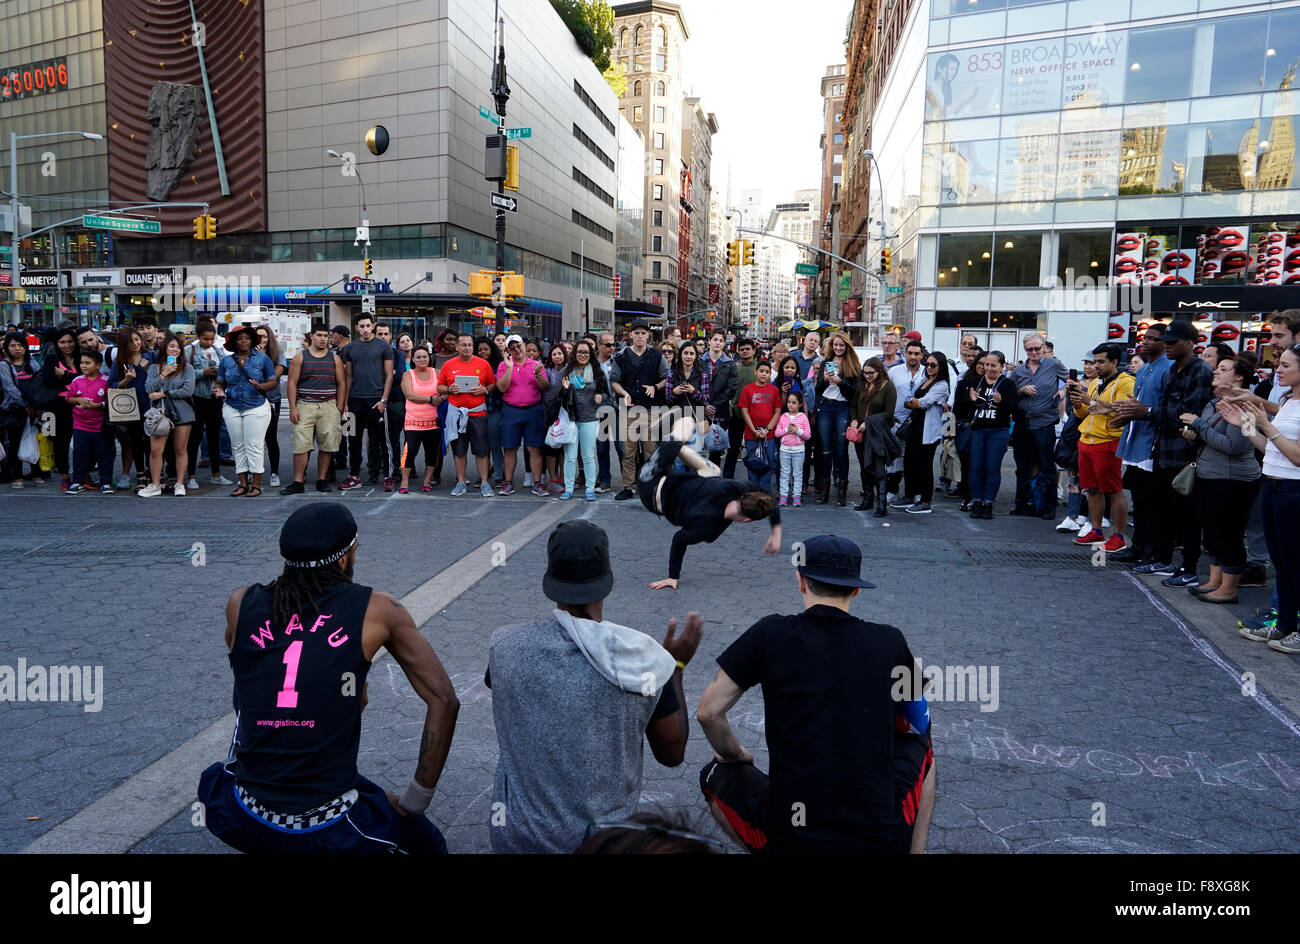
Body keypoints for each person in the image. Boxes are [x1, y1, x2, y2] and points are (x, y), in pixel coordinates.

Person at [198, 503, 459, 853]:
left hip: (240, 808)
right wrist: (416, 799)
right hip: (322, 823)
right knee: (428, 844)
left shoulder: (240, 602)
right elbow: (444, 699)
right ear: (342, 560)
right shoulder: (378, 611)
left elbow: (253, 684)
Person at [696, 534, 935, 854]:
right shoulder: (890, 641)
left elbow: (708, 712)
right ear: (856, 589)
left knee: (714, 773)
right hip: (879, 839)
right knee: (924, 746)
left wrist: (736, 755)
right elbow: (917, 719)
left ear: (801, 581)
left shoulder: (770, 633)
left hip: (790, 837)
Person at [486, 520, 701, 853]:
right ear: (609, 578)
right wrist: (676, 669)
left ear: (550, 579)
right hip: (602, 844)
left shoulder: (504, 647)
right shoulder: (643, 660)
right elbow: (672, 755)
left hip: (516, 836)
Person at [1219, 344, 1300, 653]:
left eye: (1287, 365)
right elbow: (1272, 450)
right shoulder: (1287, 400)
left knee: (1294, 564)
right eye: (1279, 363)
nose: (1278, 368)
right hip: (1275, 486)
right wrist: (1246, 425)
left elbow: (1297, 458)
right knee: (1281, 563)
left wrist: (1265, 424)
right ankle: (1284, 626)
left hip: (1294, 491)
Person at [640, 419, 782, 591]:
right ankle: (673, 443)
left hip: (657, 473)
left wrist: (776, 531)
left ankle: (674, 443)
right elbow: (678, 540)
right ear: (746, 520)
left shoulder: (735, 488)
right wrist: (672, 576)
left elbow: (767, 494)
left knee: (690, 427)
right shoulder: (709, 529)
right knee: (690, 429)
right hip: (648, 487)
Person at [1133, 320, 1214, 586]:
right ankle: (1162, 558)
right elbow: (1166, 413)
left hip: (1187, 454)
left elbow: (1188, 417)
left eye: (1172, 342)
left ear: (1190, 343)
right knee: (1161, 509)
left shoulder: (1201, 372)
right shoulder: (1171, 372)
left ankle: (1189, 568)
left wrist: (1147, 412)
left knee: (1187, 515)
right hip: (1163, 449)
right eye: (1165, 342)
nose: (1166, 346)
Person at [1179, 354, 1261, 604]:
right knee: (1213, 532)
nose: (1215, 372)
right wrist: (1195, 434)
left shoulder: (1243, 404)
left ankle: (1229, 587)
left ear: (1239, 377)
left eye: (1223, 369)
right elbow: (1211, 435)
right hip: (1209, 475)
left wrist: (1199, 427)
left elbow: (1235, 446)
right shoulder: (1213, 401)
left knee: (1229, 533)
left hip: (1232, 480)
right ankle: (1215, 580)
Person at [1068, 343, 1134, 552]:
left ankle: (1118, 535)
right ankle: (1095, 530)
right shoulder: (1096, 382)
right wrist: (1079, 403)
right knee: (1092, 489)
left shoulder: (1126, 383)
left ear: (1114, 362)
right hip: (1087, 440)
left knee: (1113, 490)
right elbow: (1084, 413)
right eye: (1094, 361)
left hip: (1107, 441)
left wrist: (1089, 400)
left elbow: (1121, 412)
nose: (1095, 366)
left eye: (1100, 362)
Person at [282, 323, 346, 495]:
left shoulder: (334, 358)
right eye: (319, 335)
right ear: (312, 336)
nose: (323, 339)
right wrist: (293, 408)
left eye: (326, 335)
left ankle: (321, 479)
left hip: (329, 406)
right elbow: (292, 383)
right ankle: (297, 481)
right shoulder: (300, 357)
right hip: (305, 405)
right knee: (301, 445)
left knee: (327, 445)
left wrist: (339, 407)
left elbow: (341, 383)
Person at [214, 324, 278, 497]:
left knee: (254, 446)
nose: (243, 341)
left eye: (247, 338)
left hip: (256, 405)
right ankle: (242, 483)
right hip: (232, 406)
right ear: (233, 341)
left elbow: (273, 381)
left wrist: (261, 385)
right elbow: (220, 381)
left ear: (252, 341)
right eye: (239, 338)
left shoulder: (262, 359)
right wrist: (218, 389)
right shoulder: (226, 361)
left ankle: (256, 485)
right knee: (238, 446)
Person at [1009, 334, 1068, 519]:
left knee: (1046, 464)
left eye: (1037, 349)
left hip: (1044, 422)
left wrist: (1062, 390)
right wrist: (1021, 390)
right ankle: (1022, 504)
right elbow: (1010, 396)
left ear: (1044, 347)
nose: (1034, 352)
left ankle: (1049, 506)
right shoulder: (1019, 371)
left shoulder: (1054, 364)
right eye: (1030, 349)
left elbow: (1072, 380)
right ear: (1025, 349)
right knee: (1022, 466)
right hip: (1022, 422)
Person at [610, 320, 668, 499]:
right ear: (631, 335)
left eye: (643, 333)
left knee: (650, 450)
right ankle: (629, 486)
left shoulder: (657, 356)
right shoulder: (620, 356)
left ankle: (650, 485)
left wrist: (656, 387)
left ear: (648, 335)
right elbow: (614, 381)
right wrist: (624, 393)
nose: (640, 336)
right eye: (637, 333)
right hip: (628, 409)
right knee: (628, 451)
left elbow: (666, 377)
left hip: (651, 409)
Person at [338, 316, 394, 490]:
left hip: (375, 402)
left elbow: (389, 375)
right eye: (362, 326)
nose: (365, 329)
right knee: (352, 440)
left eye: (368, 326)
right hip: (354, 402)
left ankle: (388, 476)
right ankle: (354, 476)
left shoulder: (383, 346)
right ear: (356, 327)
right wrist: (345, 404)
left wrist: (383, 400)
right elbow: (347, 377)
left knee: (382, 441)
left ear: (373, 326)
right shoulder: (349, 348)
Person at [437, 333, 495, 497]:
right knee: (459, 450)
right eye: (463, 345)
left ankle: (484, 482)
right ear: (457, 347)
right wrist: (449, 389)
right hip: (456, 413)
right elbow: (439, 387)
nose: (467, 348)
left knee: (482, 450)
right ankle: (461, 481)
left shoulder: (483, 364)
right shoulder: (449, 365)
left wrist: (484, 389)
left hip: (478, 412)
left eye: (470, 345)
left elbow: (492, 384)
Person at [893, 350, 951, 515]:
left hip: (928, 431)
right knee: (909, 463)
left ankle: (925, 500)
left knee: (924, 466)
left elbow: (922, 403)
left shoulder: (941, 385)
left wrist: (913, 402)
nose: (930, 367)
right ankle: (910, 496)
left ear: (941, 367)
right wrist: (912, 402)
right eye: (928, 364)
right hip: (914, 428)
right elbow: (908, 399)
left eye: (934, 365)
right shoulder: (925, 381)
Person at [139, 333, 195, 496]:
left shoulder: (187, 369)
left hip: (182, 412)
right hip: (159, 413)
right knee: (156, 450)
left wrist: (165, 394)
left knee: (181, 449)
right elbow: (149, 389)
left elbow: (187, 391)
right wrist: (164, 373)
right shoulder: (154, 368)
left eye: (178, 347)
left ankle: (179, 483)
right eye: (172, 346)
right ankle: (155, 484)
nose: (175, 349)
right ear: (164, 348)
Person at [496, 334, 551, 496]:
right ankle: (508, 482)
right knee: (509, 448)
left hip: (533, 410)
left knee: (534, 448)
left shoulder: (535, 364)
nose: (516, 349)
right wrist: (509, 368)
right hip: (511, 410)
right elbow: (502, 388)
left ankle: (537, 483)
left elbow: (545, 387)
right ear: (508, 350)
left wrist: (539, 374)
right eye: (512, 347)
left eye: (518, 345)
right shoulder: (503, 365)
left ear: (524, 346)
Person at [967, 351, 1019, 519]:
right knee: (976, 467)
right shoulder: (976, 381)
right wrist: (972, 400)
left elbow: (1014, 408)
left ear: (1002, 367)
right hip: (979, 430)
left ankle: (988, 502)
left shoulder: (1008, 384)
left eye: (993, 365)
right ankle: (976, 501)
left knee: (992, 467)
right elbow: (962, 407)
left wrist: (1001, 402)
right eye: (986, 364)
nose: (988, 368)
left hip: (998, 431)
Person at [814, 332, 861, 506]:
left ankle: (842, 491)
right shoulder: (826, 362)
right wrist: (825, 380)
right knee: (825, 450)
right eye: (835, 345)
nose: (838, 348)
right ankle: (824, 490)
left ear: (847, 346)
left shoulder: (853, 364)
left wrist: (841, 382)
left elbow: (855, 393)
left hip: (843, 408)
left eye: (841, 345)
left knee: (841, 450)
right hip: (826, 406)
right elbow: (818, 390)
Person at [559, 338, 609, 501]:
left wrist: (601, 396)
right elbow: (559, 397)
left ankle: (589, 489)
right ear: (574, 353)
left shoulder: (597, 371)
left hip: (590, 418)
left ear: (591, 354)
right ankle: (568, 488)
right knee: (570, 456)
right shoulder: (567, 371)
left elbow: (607, 393)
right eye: (579, 351)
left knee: (588, 455)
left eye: (586, 352)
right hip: (571, 419)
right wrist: (565, 390)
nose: (582, 355)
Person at [186, 319, 234, 488]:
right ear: (198, 337)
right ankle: (191, 476)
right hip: (197, 398)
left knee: (215, 437)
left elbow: (227, 370)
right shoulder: (189, 350)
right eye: (206, 339)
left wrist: (220, 375)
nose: (209, 342)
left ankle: (216, 474)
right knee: (195, 437)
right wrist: (203, 372)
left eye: (212, 339)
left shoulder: (218, 350)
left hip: (215, 397)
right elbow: (182, 374)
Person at [851, 356, 899, 515]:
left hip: (876, 433)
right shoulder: (862, 385)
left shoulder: (888, 387)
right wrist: (854, 420)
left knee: (878, 468)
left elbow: (889, 413)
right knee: (865, 467)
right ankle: (868, 499)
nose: (867, 376)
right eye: (865, 373)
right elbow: (854, 405)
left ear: (879, 371)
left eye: (871, 373)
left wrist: (868, 422)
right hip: (860, 432)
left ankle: (882, 504)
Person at [33, 327, 79, 490]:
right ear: (57, 343)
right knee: (61, 442)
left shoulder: (81, 357)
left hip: (80, 404)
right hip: (58, 405)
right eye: (62, 342)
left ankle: (82, 474)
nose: (67, 345)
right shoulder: (52, 358)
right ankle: (65, 476)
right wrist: (72, 378)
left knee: (83, 441)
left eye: (70, 341)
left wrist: (64, 375)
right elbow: (49, 381)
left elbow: (88, 378)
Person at [64, 349, 114, 494]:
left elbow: (111, 400)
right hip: (80, 425)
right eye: (81, 363)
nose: (84, 366)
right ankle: (78, 481)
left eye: (88, 363)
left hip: (100, 426)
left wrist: (98, 405)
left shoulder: (106, 381)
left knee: (104, 455)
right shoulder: (77, 381)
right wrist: (78, 400)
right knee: (79, 454)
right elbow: (68, 398)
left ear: (98, 365)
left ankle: (105, 482)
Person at [396, 346, 444, 494]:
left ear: (429, 358)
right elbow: (410, 395)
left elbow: (445, 391)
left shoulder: (437, 373)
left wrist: (441, 398)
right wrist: (431, 399)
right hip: (413, 421)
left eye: (425, 356)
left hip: (433, 421)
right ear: (413, 359)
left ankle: (427, 480)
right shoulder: (407, 375)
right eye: (418, 357)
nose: (422, 359)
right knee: (410, 451)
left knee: (432, 453)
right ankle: (405, 481)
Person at [112, 327, 153, 491]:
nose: (136, 344)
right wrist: (126, 380)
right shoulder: (121, 362)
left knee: (151, 441)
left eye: (137, 339)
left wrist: (149, 369)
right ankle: (140, 474)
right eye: (131, 341)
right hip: (131, 407)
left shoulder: (151, 356)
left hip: (150, 405)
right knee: (136, 442)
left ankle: (153, 472)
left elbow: (162, 377)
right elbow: (113, 385)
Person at [886, 339, 926, 501]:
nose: (913, 357)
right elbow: (885, 394)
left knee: (915, 459)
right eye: (910, 353)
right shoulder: (894, 372)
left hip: (918, 422)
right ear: (905, 354)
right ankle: (892, 490)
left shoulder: (927, 372)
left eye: (917, 354)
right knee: (895, 456)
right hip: (896, 421)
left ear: (922, 355)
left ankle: (915, 492)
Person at [739, 359, 781, 493]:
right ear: (755, 372)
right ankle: (752, 496)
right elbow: (744, 410)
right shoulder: (747, 389)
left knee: (767, 466)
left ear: (770, 374)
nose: (764, 374)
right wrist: (754, 430)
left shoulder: (774, 390)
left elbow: (777, 411)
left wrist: (767, 429)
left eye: (767, 372)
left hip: (768, 435)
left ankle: (765, 497)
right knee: (752, 465)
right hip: (752, 435)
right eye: (761, 371)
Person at [0, 331, 36, 486]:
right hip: (13, 410)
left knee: (35, 440)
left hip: (34, 408)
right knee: (14, 443)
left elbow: (39, 383)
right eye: (13, 345)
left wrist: (35, 404)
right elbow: (10, 388)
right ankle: (18, 476)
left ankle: (37, 474)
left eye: (20, 345)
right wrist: (25, 404)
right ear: (7, 348)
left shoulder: (32, 362)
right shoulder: (4, 365)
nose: (17, 349)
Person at [254, 326, 287, 489]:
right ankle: (251, 474)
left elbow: (272, 377)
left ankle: (274, 473)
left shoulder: (278, 354)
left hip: (271, 399)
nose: (262, 340)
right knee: (253, 440)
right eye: (259, 336)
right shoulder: (248, 354)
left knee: (271, 438)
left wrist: (261, 359)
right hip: (250, 399)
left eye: (265, 337)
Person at [722, 336, 757, 480]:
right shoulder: (733, 367)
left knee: (753, 450)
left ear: (754, 351)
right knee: (732, 450)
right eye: (741, 350)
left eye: (747, 349)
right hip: (735, 415)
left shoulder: (760, 369)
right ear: (737, 351)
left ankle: (754, 480)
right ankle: (727, 479)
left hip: (754, 416)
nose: (744, 352)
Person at [594, 331, 624, 492]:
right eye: (608, 345)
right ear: (599, 346)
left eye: (614, 344)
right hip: (599, 407)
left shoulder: (618, 361)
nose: (612, 347)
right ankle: (605, 480)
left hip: (618, 406)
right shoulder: (591, 364)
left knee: (621, 446)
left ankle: (628, 481)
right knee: (602, 446)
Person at [475, 337, 505, 487]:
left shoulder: (499, 366)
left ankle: (499, 475)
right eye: (479, 350)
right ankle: (483, 475)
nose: (482, 352)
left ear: (491, 350)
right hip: (476, 410)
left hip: (494, 409)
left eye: (486, 349)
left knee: (495, 444)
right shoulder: (473, 365)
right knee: (481, 446)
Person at [540, 342, 570, 491]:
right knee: (551, 445)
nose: (557, 356)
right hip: (550, 411)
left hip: (566, 411)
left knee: (564, 445)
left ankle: (563, 478)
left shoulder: (570, 369)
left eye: (560, 353)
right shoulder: (547, 371)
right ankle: (552, 479)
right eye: (554, 354)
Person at [774, 390, 811, 508]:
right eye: (789, 402)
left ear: (800, 404)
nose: (790, 405)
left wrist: (798, 431)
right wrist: (786, 430)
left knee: (797, 474)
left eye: (794, 403)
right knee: (784, 473)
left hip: (798, 450)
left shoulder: (803, 417)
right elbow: (777, 433)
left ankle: (796, 496)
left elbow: (808, 435)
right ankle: (783, 495)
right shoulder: (783, 417)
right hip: (784, 450)